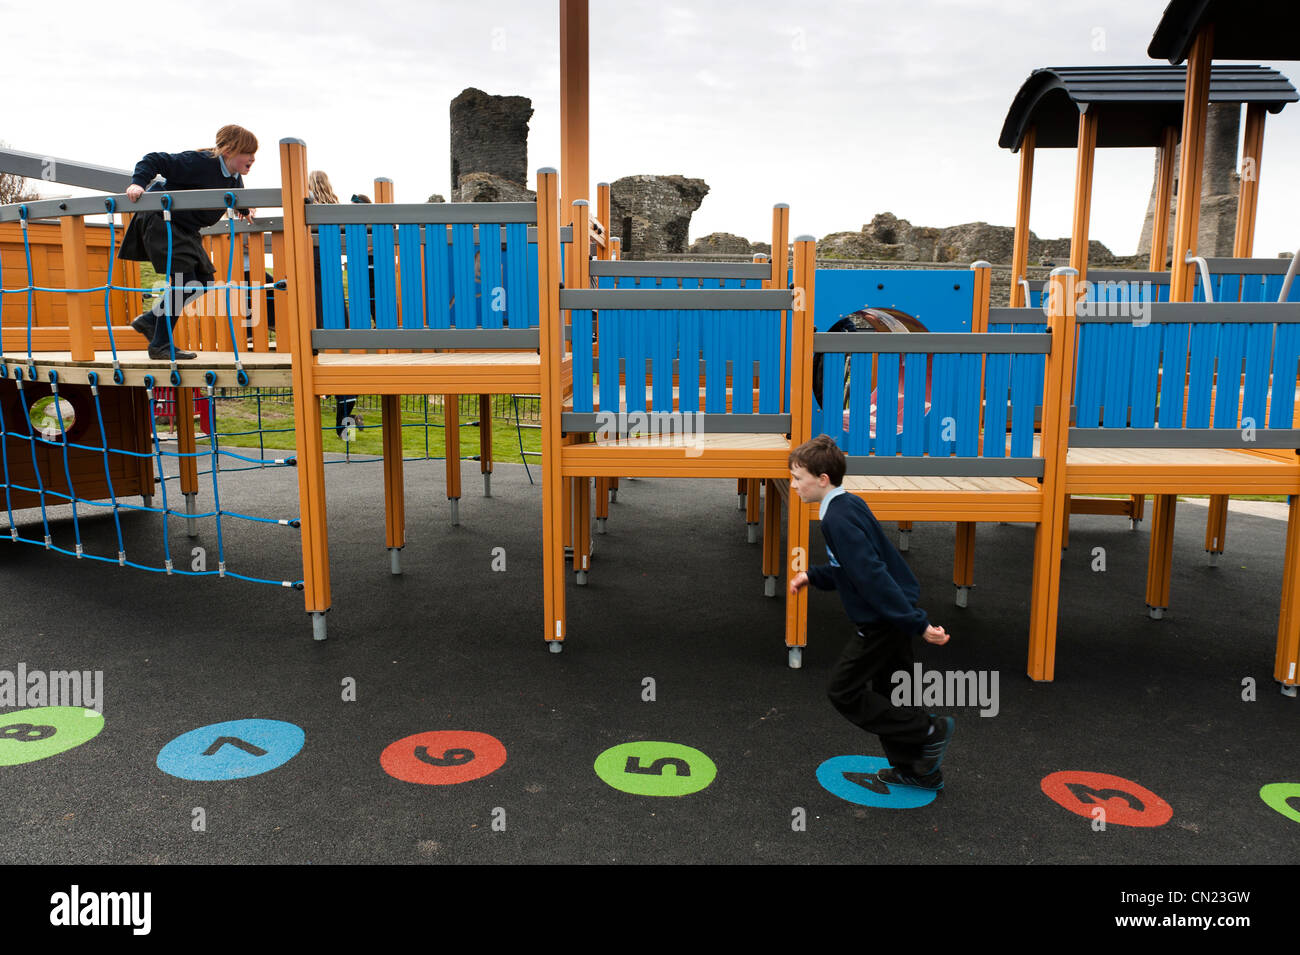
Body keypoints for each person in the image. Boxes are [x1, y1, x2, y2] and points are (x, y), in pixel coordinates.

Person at [787, 434, 955, 791]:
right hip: (893, 611)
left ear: (822, 479)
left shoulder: (836, 519)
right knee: (895, 691)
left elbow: (872, 576)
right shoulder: (848, 504)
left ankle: (928, 730)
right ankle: (919, 770)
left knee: (843, 691)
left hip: (882, 619)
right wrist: (813, 575)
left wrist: (918, 624)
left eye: (798, 478)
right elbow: (854, 568)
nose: (793, 484)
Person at [119, 125, 258, 360]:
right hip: (163, 220)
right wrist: (138, 183)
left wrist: (244, 208)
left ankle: (151, 320)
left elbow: (232, 194)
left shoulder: (233, 178)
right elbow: (154, 160)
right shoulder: (199, 162)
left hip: (186, 228)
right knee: (183, 281)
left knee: (203, 280)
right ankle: (160, 345)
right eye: (248, 153)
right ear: (229, 150)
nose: (253, 159)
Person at [305, 170, 361, 439]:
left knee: (316, 349)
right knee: (344, 353)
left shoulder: (304, 212)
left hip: (310, 290)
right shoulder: (335, 215)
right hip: (333, 290)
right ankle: (344, 419)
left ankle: (328, 405)